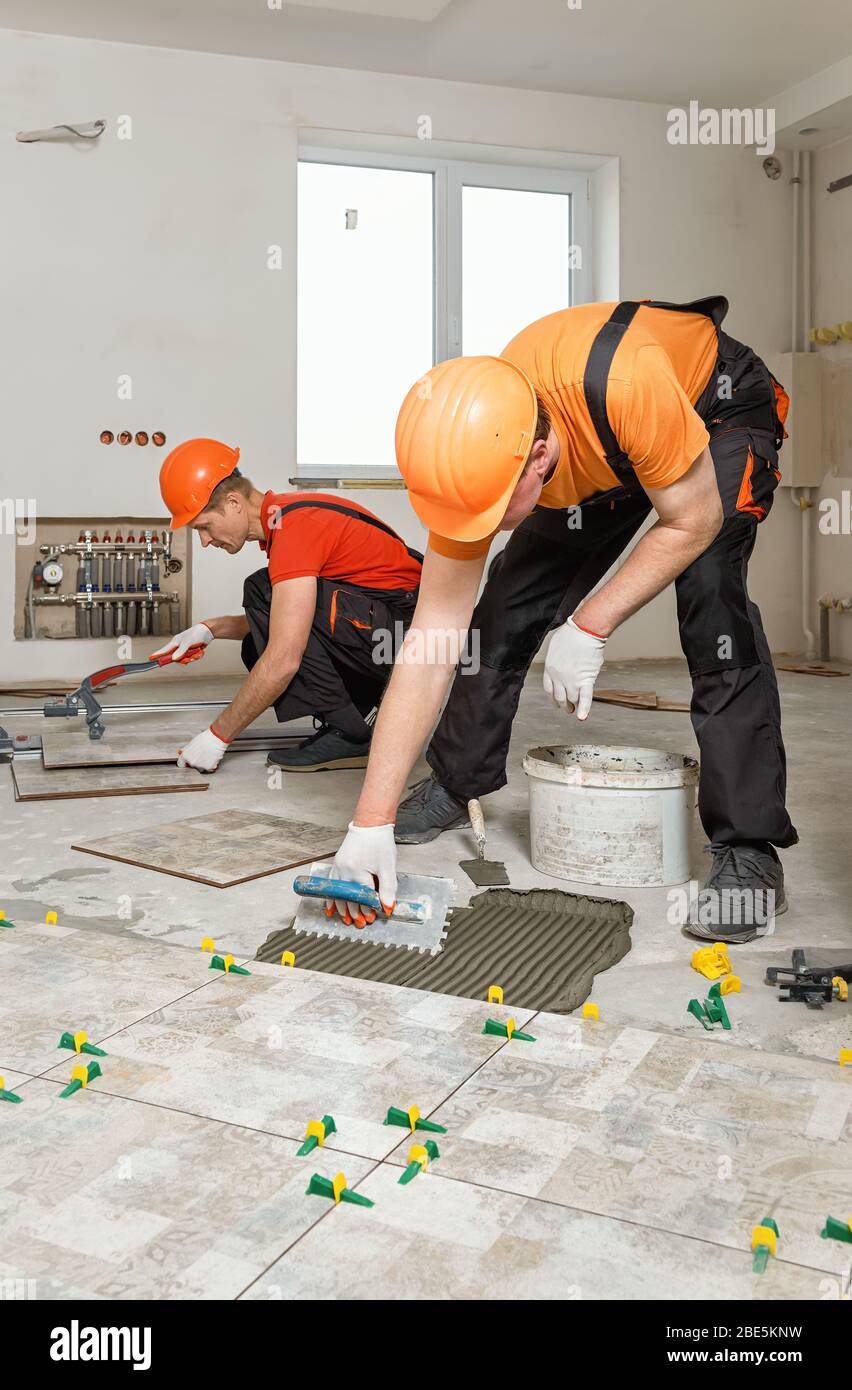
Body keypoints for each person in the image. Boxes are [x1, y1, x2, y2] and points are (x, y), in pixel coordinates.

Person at [325, 297, 796, 943]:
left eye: (492, 510)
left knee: (712, 594)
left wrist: (592, 622)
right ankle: (458, 782)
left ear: (540, 460)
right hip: (604, 448)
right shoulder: (475, 449)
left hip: (711, 408)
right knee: (500, 611)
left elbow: (693, 519)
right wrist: (368, 821)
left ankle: (750, 848)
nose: (482, 529)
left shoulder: (622, 387)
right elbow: (432, 641)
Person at [155, 438, 421, 772]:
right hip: (389, 626)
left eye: (204, 527)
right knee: (260, 622)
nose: (205, 541)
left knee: (263, 594)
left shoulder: (295, 530)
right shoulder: (287, 515)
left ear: (234, 502)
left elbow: (284, 659)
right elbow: (284, 616)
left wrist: (217, 736)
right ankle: (354, 716)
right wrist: (211, 629)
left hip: (412, 640)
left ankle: (352, 733)